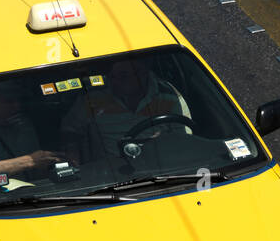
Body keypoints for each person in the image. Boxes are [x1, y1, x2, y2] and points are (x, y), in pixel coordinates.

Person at [61, 57, 192, 168]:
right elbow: (70, 131)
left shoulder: (170, 97)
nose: (115, 82)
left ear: (142, 73)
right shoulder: (92, 99)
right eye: (112, 77)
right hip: (110, 174)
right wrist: (74, 156)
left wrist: (163, 141)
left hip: (165, 169)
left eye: (123, 76)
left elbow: (184, 141)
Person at [0, 83, 62, 181]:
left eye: (19, 101)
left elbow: (39, 172)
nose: (17, 106)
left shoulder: (23, 124)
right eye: (9, 101)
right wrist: (30, 160)